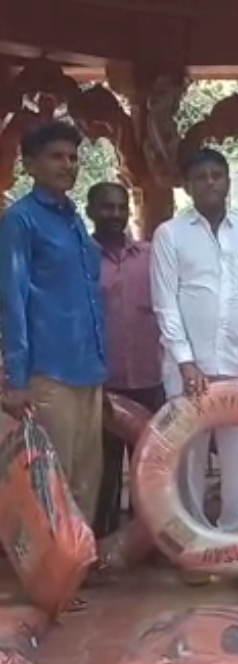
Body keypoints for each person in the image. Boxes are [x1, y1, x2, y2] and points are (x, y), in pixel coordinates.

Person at [151, 148, 238, 543]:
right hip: (188, 369)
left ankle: (232, 536)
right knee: (190, 456)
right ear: (187, 186)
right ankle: (194, 540)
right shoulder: (170, 234)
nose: (210, 183)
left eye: (217, 175)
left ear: (227, 181)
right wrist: (186, 362)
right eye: (201, 177)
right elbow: (165, 303)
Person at [0, 121, 107, 530]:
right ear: (30, 165)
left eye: (73, 157)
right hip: (49, 370)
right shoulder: (20, 221)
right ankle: (56, 577)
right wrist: (15, 378)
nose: (68, 164)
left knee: (86, 480)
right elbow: (13, 299)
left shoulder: (73, 219)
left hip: (89, 368)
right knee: (52, 480)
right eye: (56, 157)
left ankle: (76, 569)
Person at [88, 181, 165, 538]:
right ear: (90, 211)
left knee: (148, 469)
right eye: (106, 207)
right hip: (101, 383)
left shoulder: (151, 256)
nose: (115, 214)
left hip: (150, 380)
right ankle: (99, 546)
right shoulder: (81, 257)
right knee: (101, 472)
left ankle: (144, 545)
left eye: (120, 207)